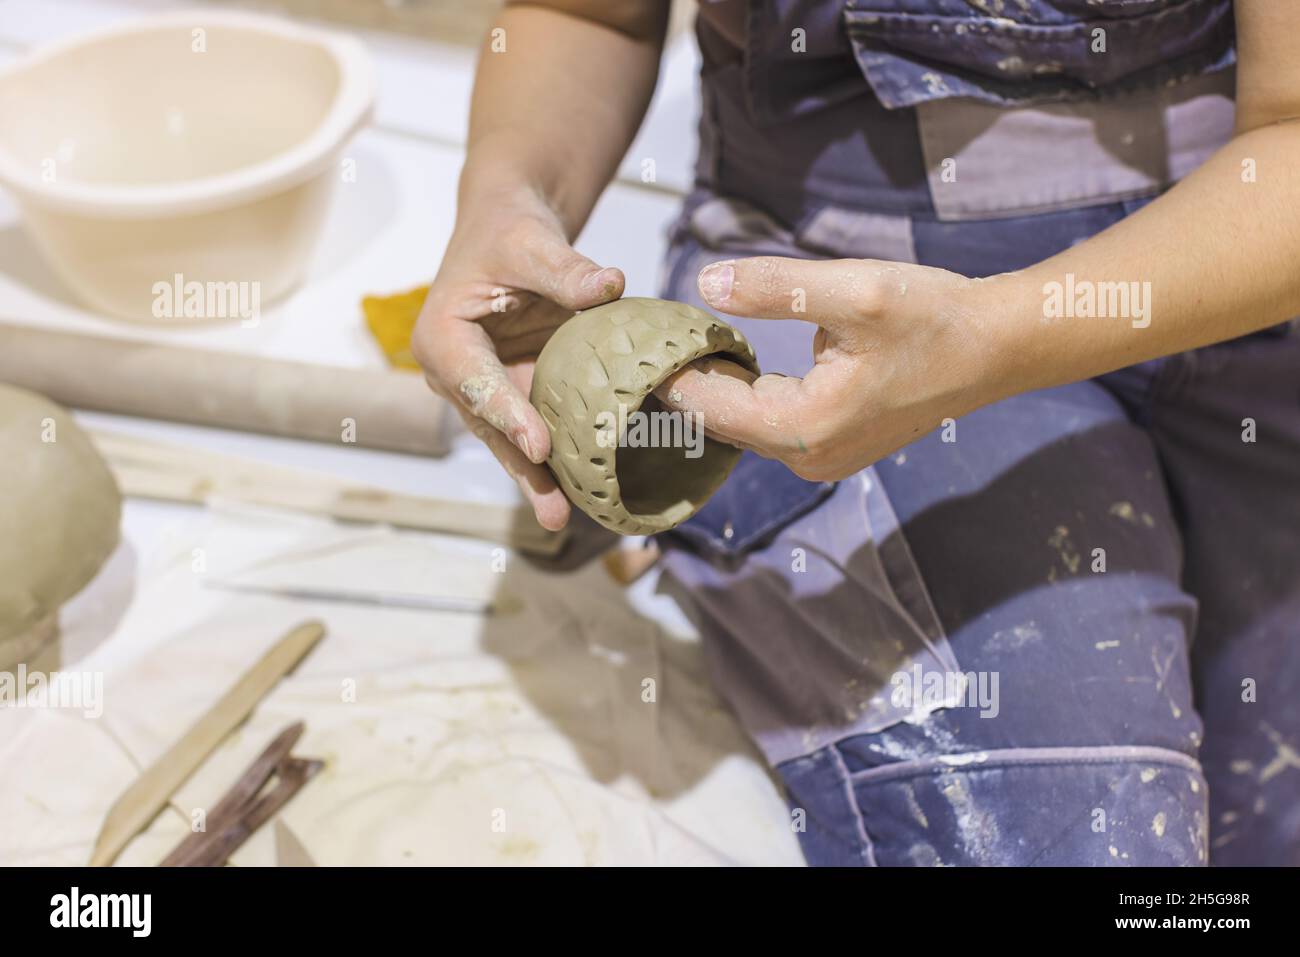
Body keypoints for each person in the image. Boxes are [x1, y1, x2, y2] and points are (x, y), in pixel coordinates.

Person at [412, 0, 1300, 866]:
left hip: (1230, 263)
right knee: (1087, 836)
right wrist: (505, 192)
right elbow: (594, 14)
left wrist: (1003, 330)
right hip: (840, 299)